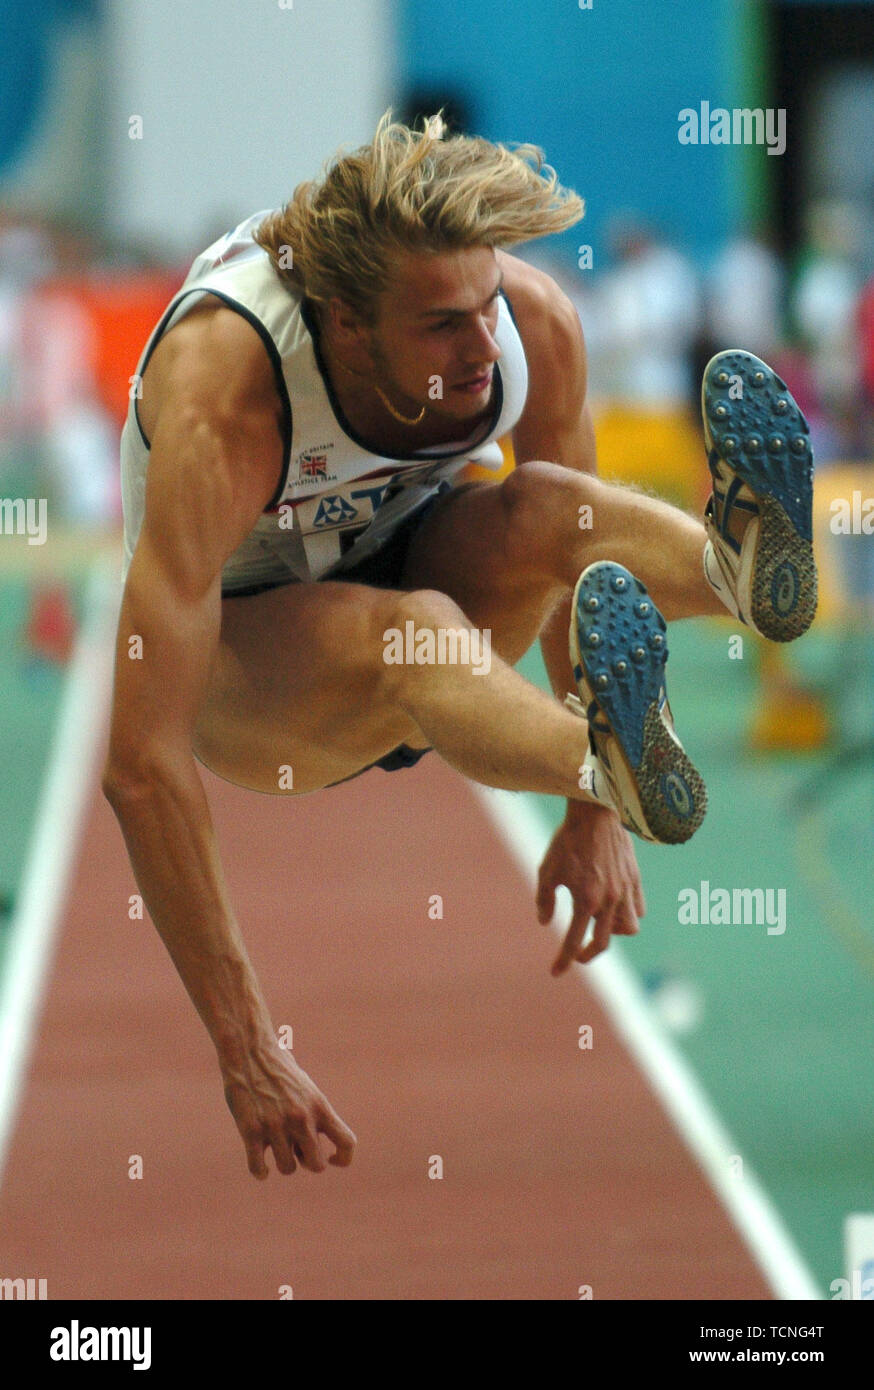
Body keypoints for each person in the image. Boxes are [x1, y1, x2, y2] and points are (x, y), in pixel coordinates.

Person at [103, 112, 816, 1180]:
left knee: (545, 505)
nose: (482, 346)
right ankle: (597, 757)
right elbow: (140, 767)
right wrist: (246, 1044)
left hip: (437, 561)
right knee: (417, 633)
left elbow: (588, 578)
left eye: (485, 305)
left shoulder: (533, 326)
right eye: (441, 326)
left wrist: (589, 826)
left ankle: (741, 581)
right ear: (345, 322)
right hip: (257, 685)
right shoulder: (226, 398)